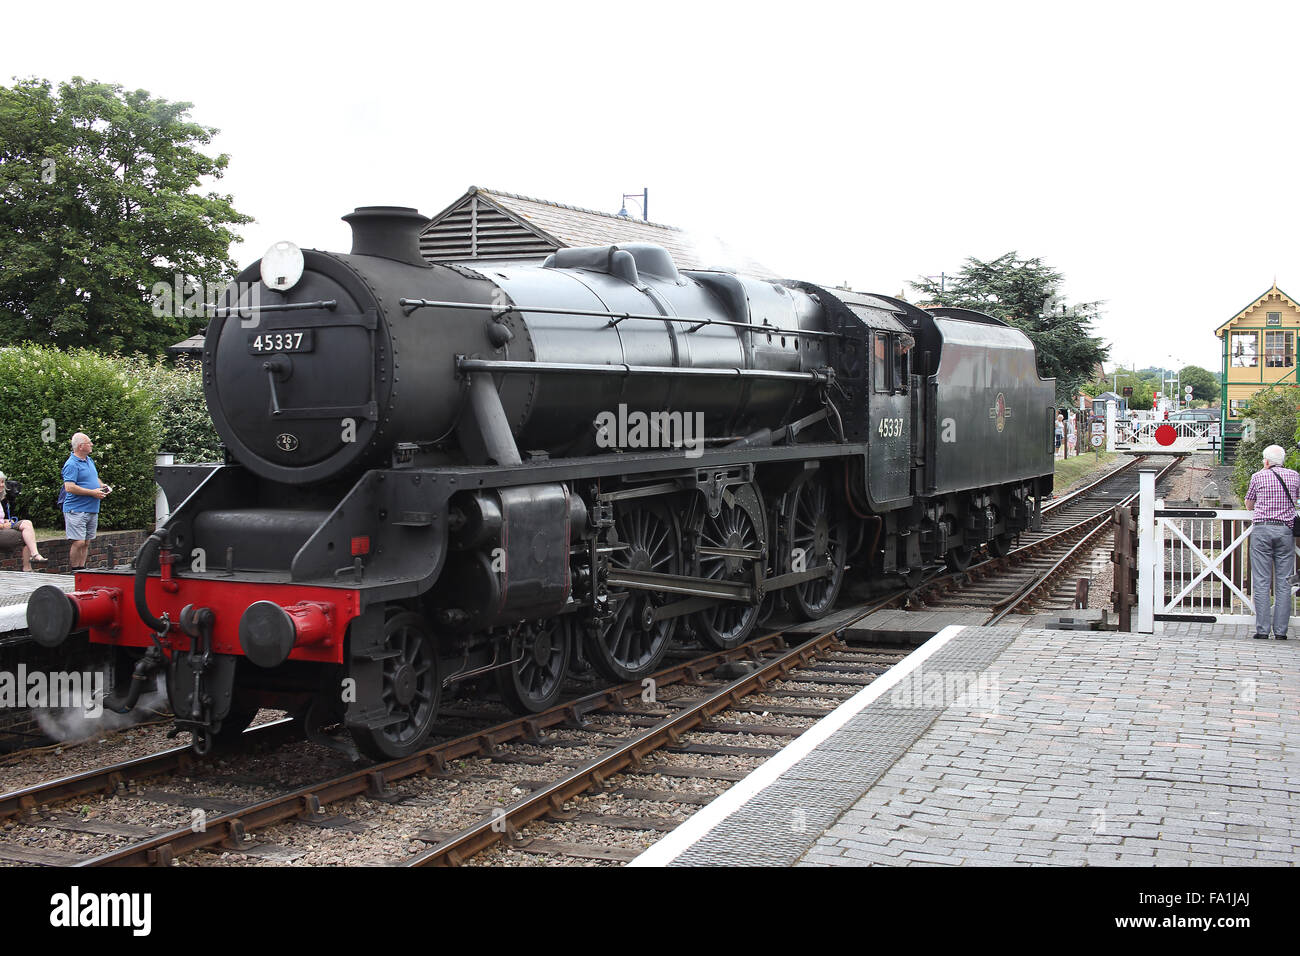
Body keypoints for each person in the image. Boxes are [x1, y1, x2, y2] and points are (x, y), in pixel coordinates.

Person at [1243, 444, 1299, 640]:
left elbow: (1249, 504)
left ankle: (1262, 630)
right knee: (1284, 582)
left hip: (1262, 530)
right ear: (1282, 460)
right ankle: (1281, 632)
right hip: (1285, 531)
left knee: (1261, 580)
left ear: (1266, 461)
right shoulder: (1294, 476)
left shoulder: (1258, 476)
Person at [62, 433, 110, 570]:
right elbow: (69, 487)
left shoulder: (89, 460)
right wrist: (92, 492)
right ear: (81, 446)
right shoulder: (71, 464)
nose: (92, 445)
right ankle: (75, 569)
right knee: (79, 542)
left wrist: (102, 486)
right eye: (89, 442)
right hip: (76, 509)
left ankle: (82, 569)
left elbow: (94, 478)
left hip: (92, 508)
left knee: (87, 542)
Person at [0, 472, 48, 571]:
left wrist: (5, 521)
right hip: (2, 529)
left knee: (27, 524)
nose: (2, 485)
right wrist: (3, 526)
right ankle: (27, 568)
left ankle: (35, 555)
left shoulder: (2, 499)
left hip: (5, 525)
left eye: (3, 482)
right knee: (27, 536)